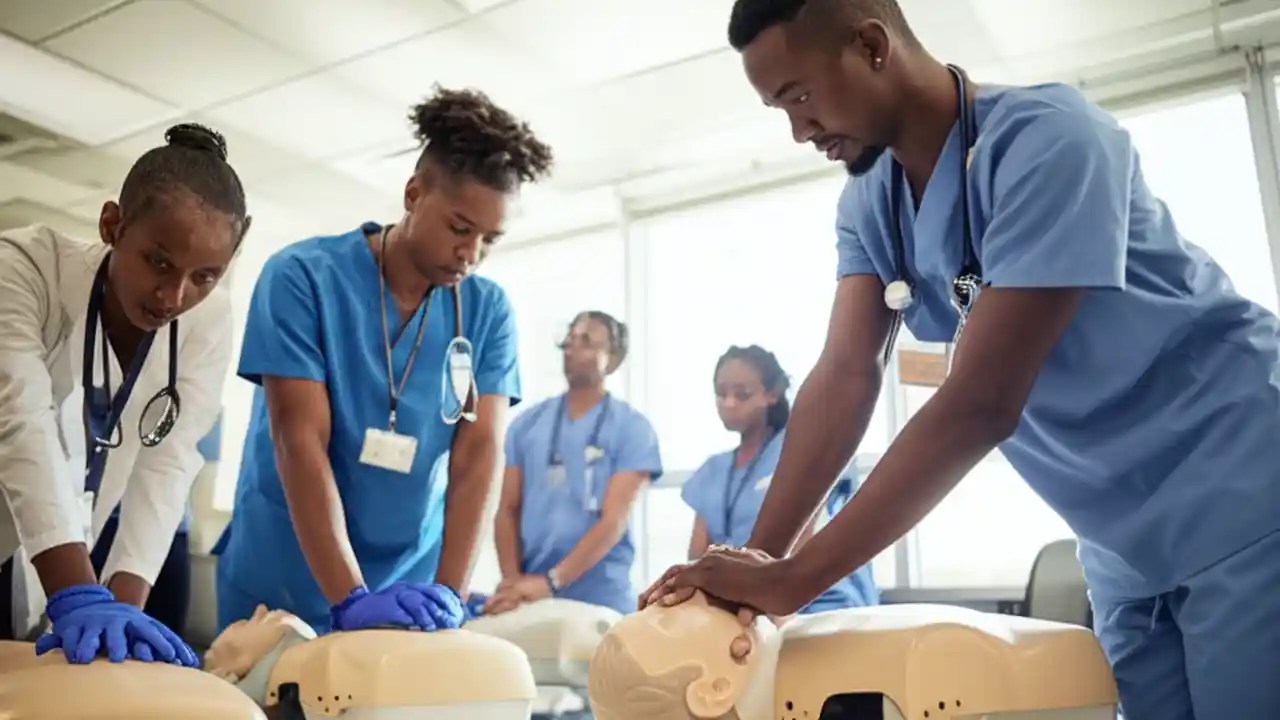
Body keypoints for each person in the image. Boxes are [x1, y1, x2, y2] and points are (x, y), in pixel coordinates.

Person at [642, 1, 1280, 718]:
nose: (798, 130)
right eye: (779, 109)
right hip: (1122, 545)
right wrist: (757, 567)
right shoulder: (872, 202)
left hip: (1243, 491)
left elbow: (982, 401)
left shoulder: (1052, 141)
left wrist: (795, 580)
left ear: (872, 46)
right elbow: (846, 374)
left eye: (800, 96)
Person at [213, 87, 554, 635]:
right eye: (460, 228)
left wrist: (448, 595)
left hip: (407, 585)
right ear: (413, 193)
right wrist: (349, 597)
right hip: (284, 580)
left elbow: (478, 456)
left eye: (489, 239)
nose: (471, 254)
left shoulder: (485, 311)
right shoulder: (302, 277)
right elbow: (299, 441)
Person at [0, 123, 247, 665]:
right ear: (112, 224)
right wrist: (78, 593)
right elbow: (20, 422)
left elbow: (169, 461)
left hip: (51, 550)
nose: (174, 296)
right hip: (37, 534)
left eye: (205, 276)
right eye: (159, 262)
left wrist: (122, 612)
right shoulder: (23, 268)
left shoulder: (207, 319)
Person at [481, 311, 662, 616]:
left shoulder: (632, 429)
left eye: (587, 341)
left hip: (602, 601)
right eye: (570, 338)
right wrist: (513, 584)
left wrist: (552, 582)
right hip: (532, 600)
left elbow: (614, 521)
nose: (572, 347)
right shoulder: (527, 425)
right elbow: (507, 510)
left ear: (613, 359)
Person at [681, 345, 876, 612]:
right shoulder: (712, 471)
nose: (729, 403)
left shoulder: (804, 447)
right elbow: (697, 559)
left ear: (772, 393)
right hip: (742, 603)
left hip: (820, 603)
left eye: (742, 394)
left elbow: (804, 540)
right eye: (721, 393)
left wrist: (764, 602)